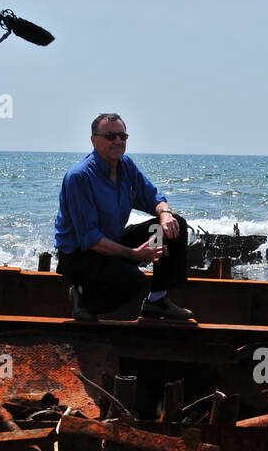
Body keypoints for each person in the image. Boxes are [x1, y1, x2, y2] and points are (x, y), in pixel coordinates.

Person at [53, 113, 194, 323]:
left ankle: (157, 300)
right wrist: (134, 254)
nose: (118, 141)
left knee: (175, 226)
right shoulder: (80, 177)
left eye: (122, 136)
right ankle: (83, 298)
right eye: (110, 136)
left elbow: (152, 197)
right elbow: (90, 238)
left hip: (113, 242)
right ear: (94, 140)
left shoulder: (125, 166)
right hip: (81, 256)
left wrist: (165, 214)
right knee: (134, 281)